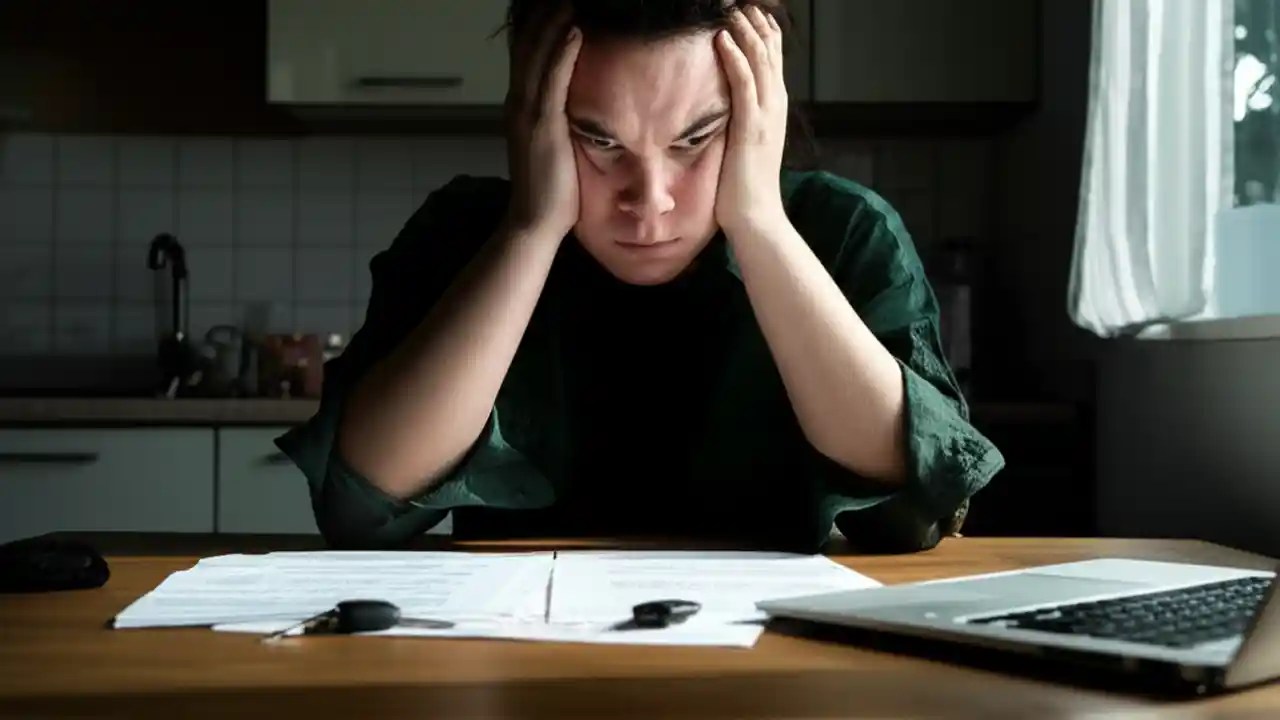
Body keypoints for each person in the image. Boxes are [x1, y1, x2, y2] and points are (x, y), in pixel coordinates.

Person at [276, 0, 1005, 554]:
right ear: (535, 120)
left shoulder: (844, 230)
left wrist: (760, 223)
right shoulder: (462, 233)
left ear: (760, 115)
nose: (649, 200)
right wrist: (530, 232)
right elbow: (362, 503)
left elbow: (917, 500)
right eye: (599, 141)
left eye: (696, 139)